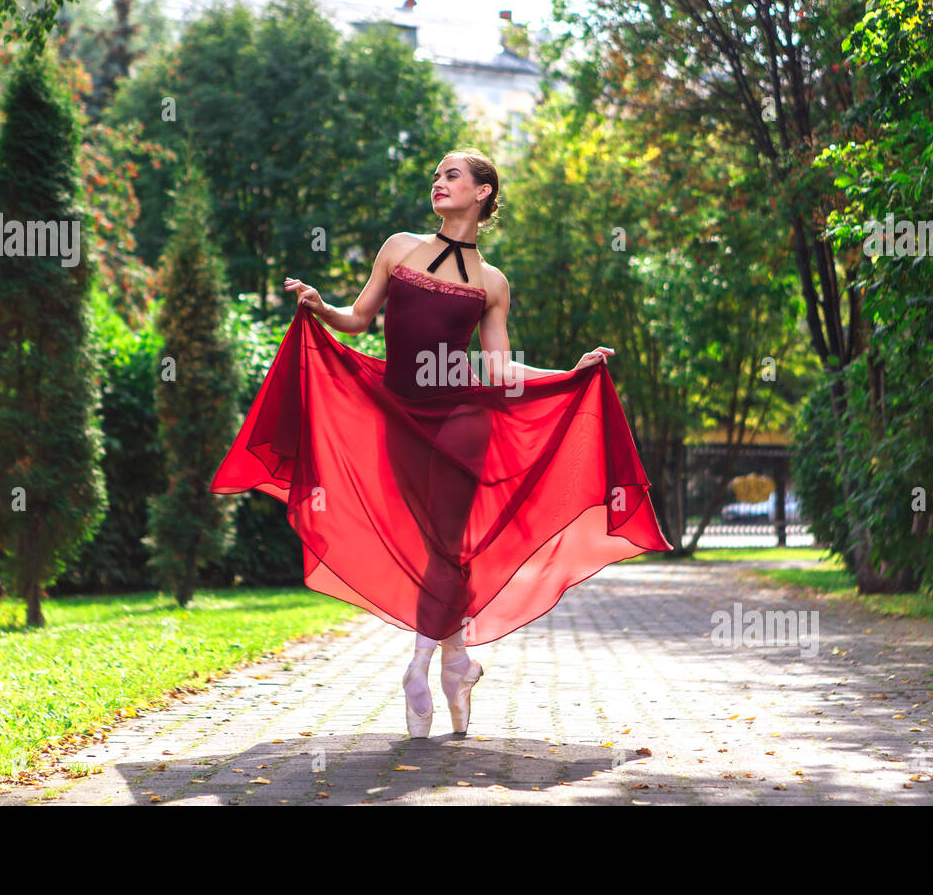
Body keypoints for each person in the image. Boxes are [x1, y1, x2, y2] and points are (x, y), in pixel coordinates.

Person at [210, 148, 672, 739]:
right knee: (437, 549)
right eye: (435, 175)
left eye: (451, 175)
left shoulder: (492, 282)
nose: (438, 182)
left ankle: (419, 667)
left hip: (461, 419)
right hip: (396, 416)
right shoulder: (398, 247)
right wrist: (320, 307)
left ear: (482, 193)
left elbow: (501, 372)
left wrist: (568, 375)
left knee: (446, 545)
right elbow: (357, 319)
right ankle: (460, 663)